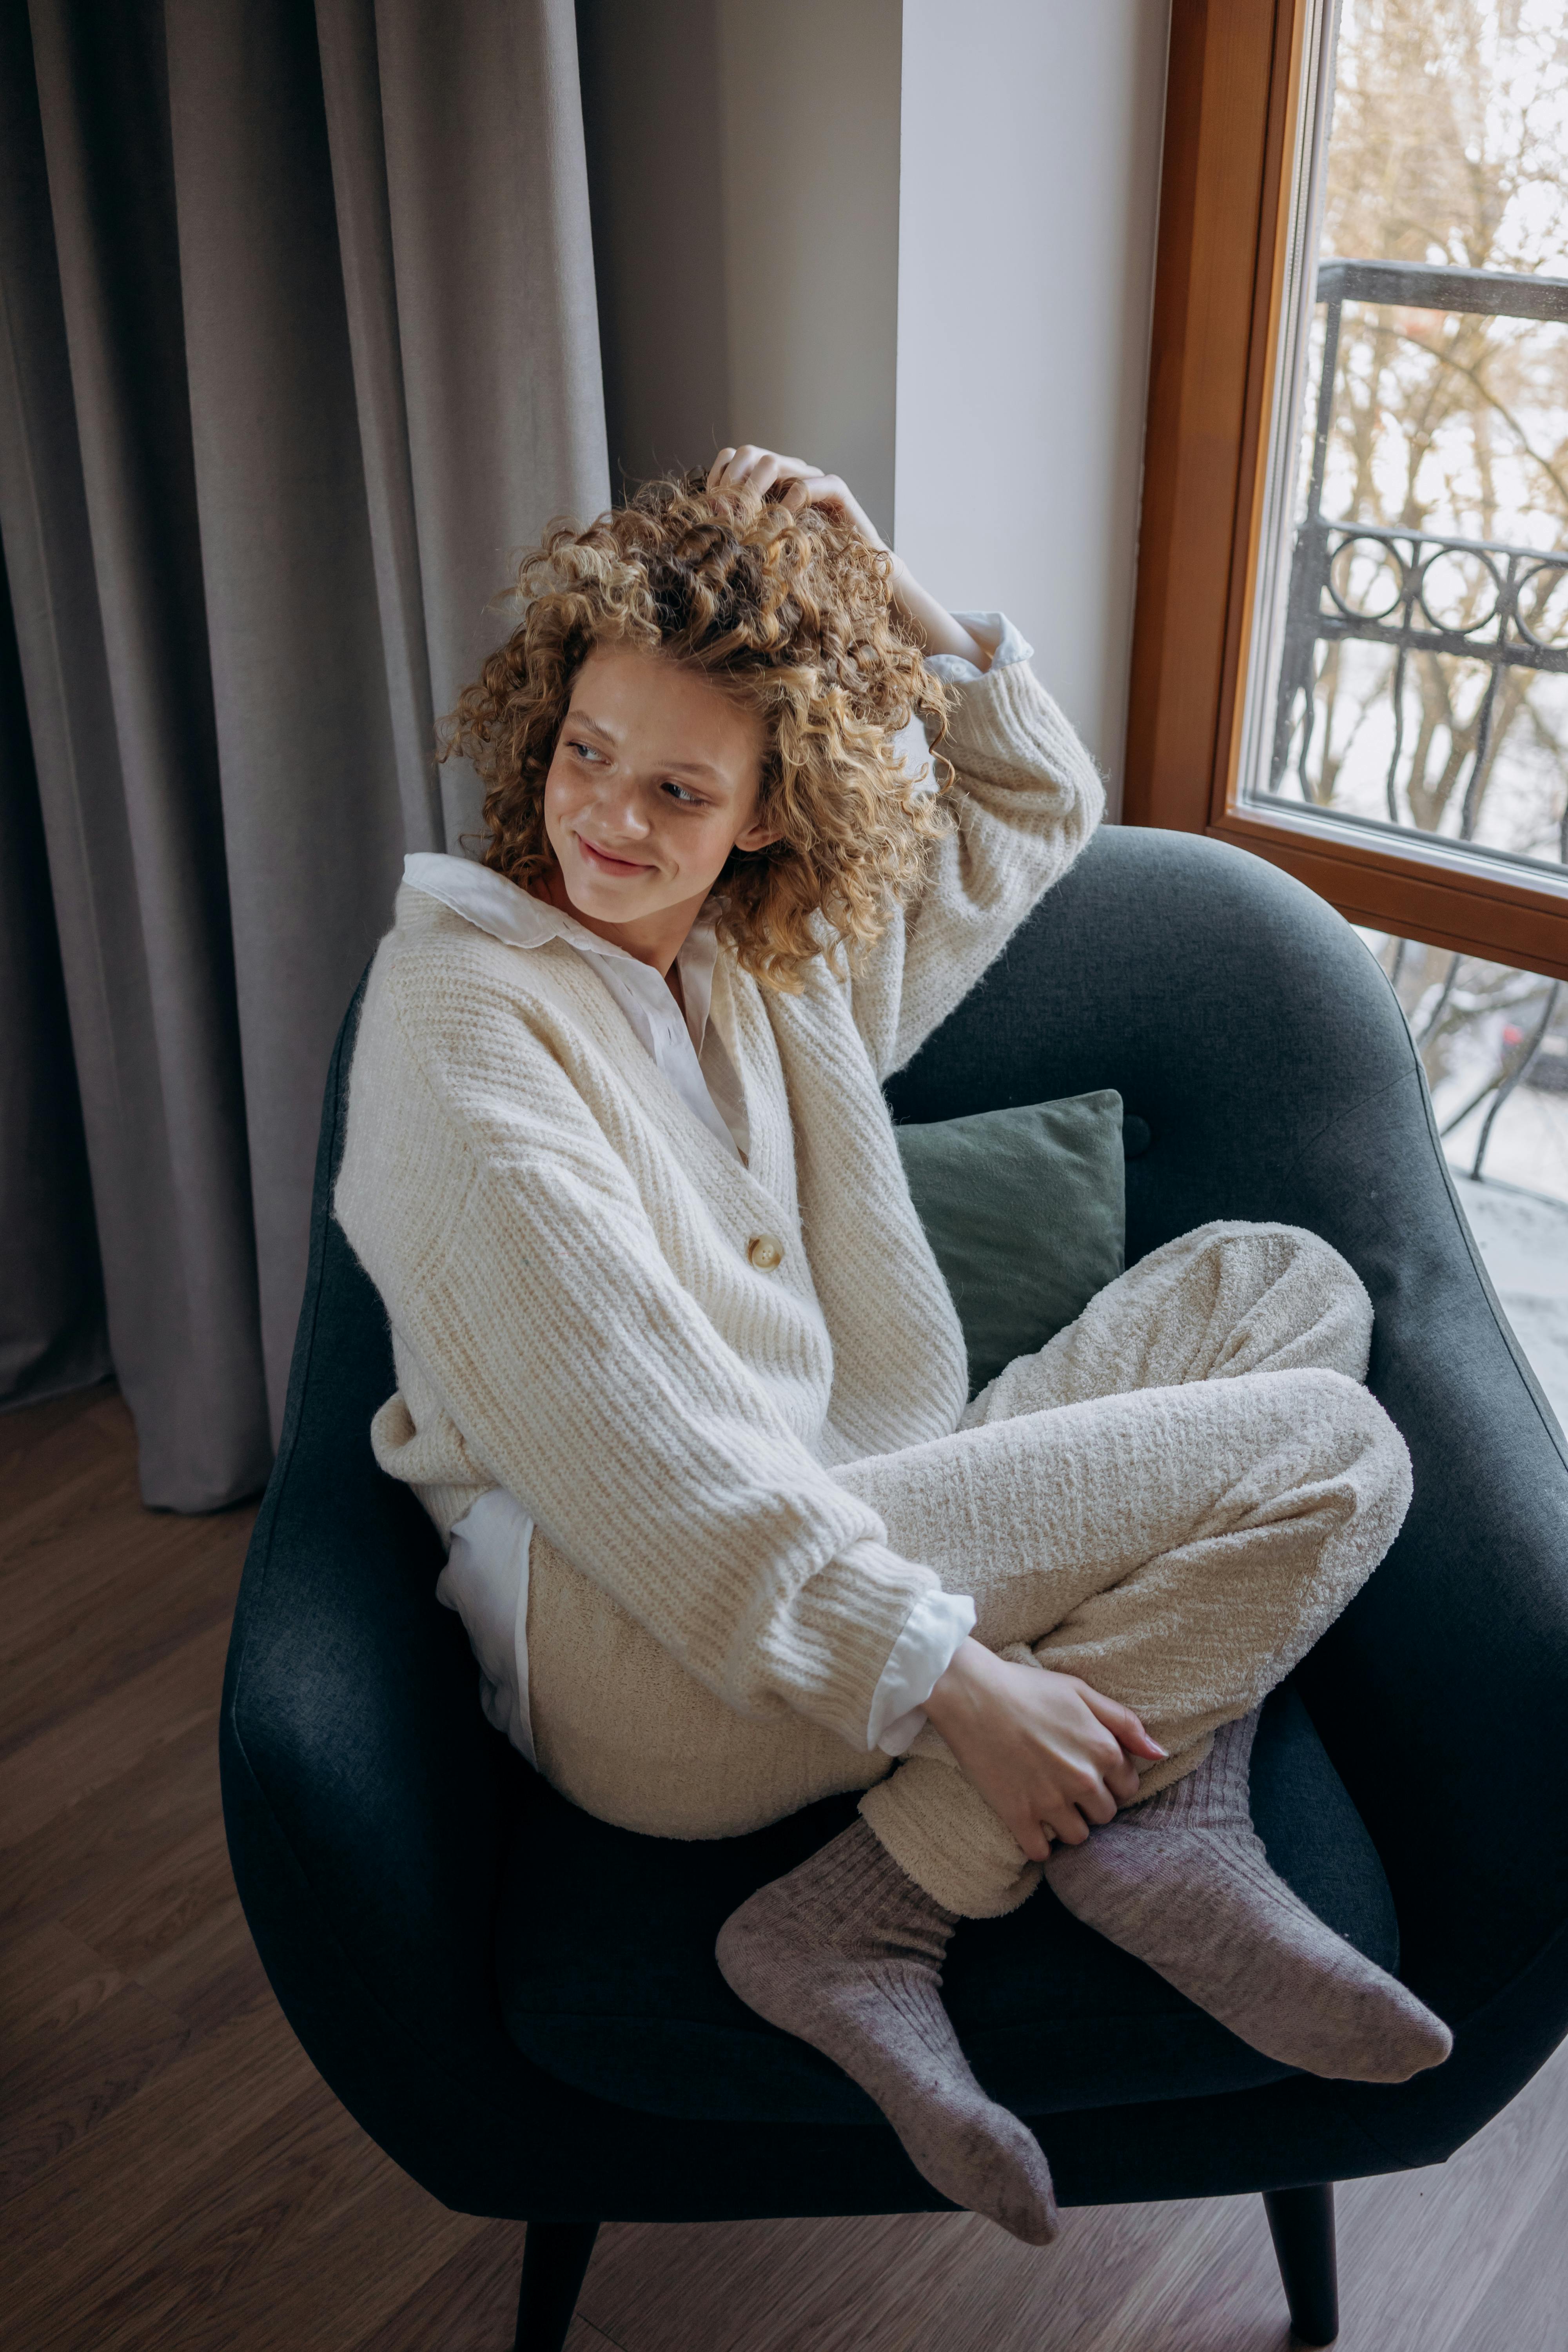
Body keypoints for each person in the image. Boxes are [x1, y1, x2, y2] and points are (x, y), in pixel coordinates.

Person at [335, 446, 1450, 2247]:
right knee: (1340, 1450)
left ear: (770, 813)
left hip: (844, 1514)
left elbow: (1035, 801)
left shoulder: (754, 965)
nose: (605, 819)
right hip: (641, 1654)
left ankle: (975, 1852)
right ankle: (932, 1876)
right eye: (583, 754)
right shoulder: (460, 1029)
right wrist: (958, 1679)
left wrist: (898, 593)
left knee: (1285, 1288)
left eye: (681, 788)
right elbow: (658, 1469)